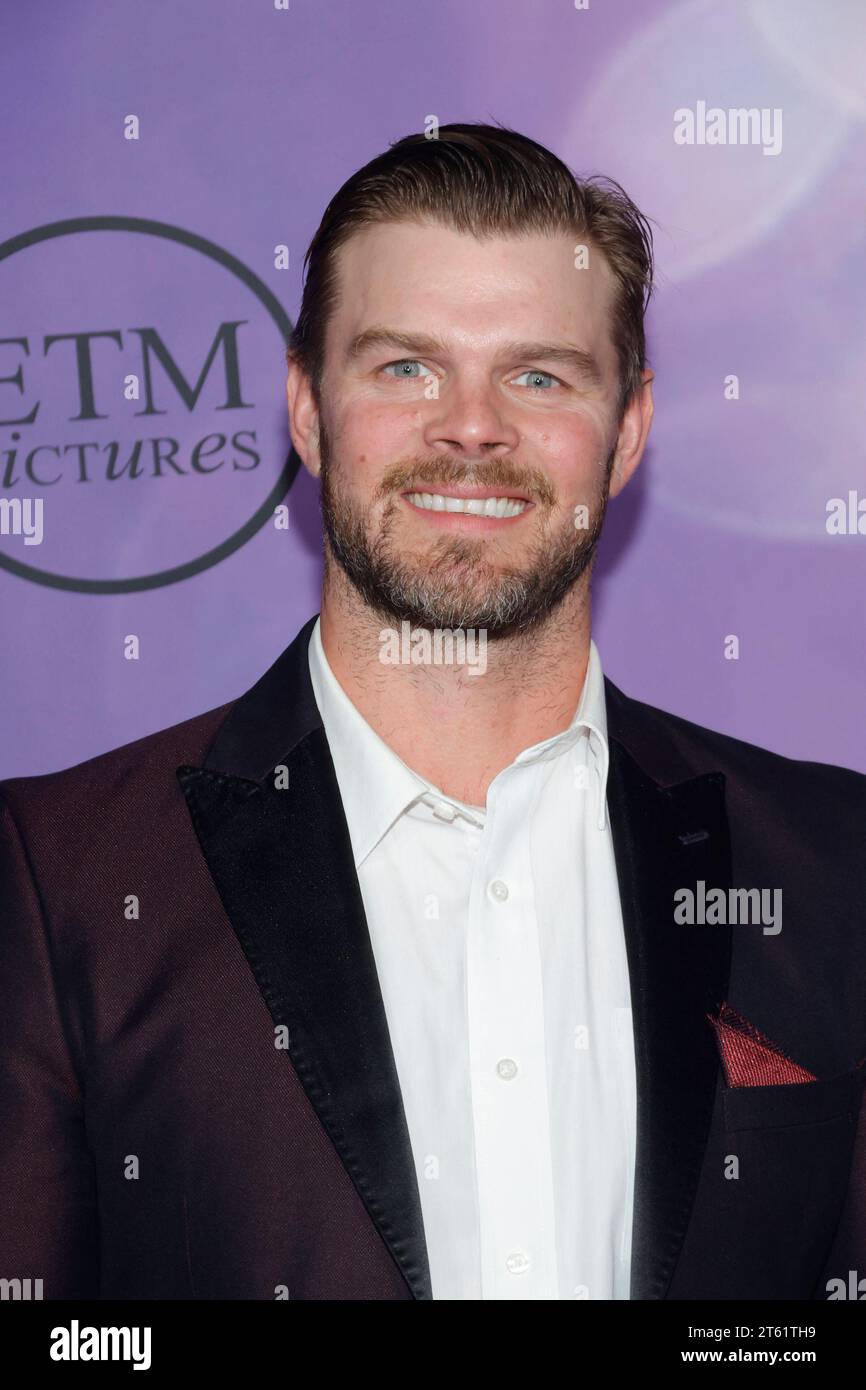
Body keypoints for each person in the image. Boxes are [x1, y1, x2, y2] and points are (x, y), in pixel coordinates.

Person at [1, 124, 864, 1301]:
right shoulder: (61, 880)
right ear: (307, 409)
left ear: (629, 431)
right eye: (405, 366)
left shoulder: (829, 865)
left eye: (538, 374)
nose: (472, 426)